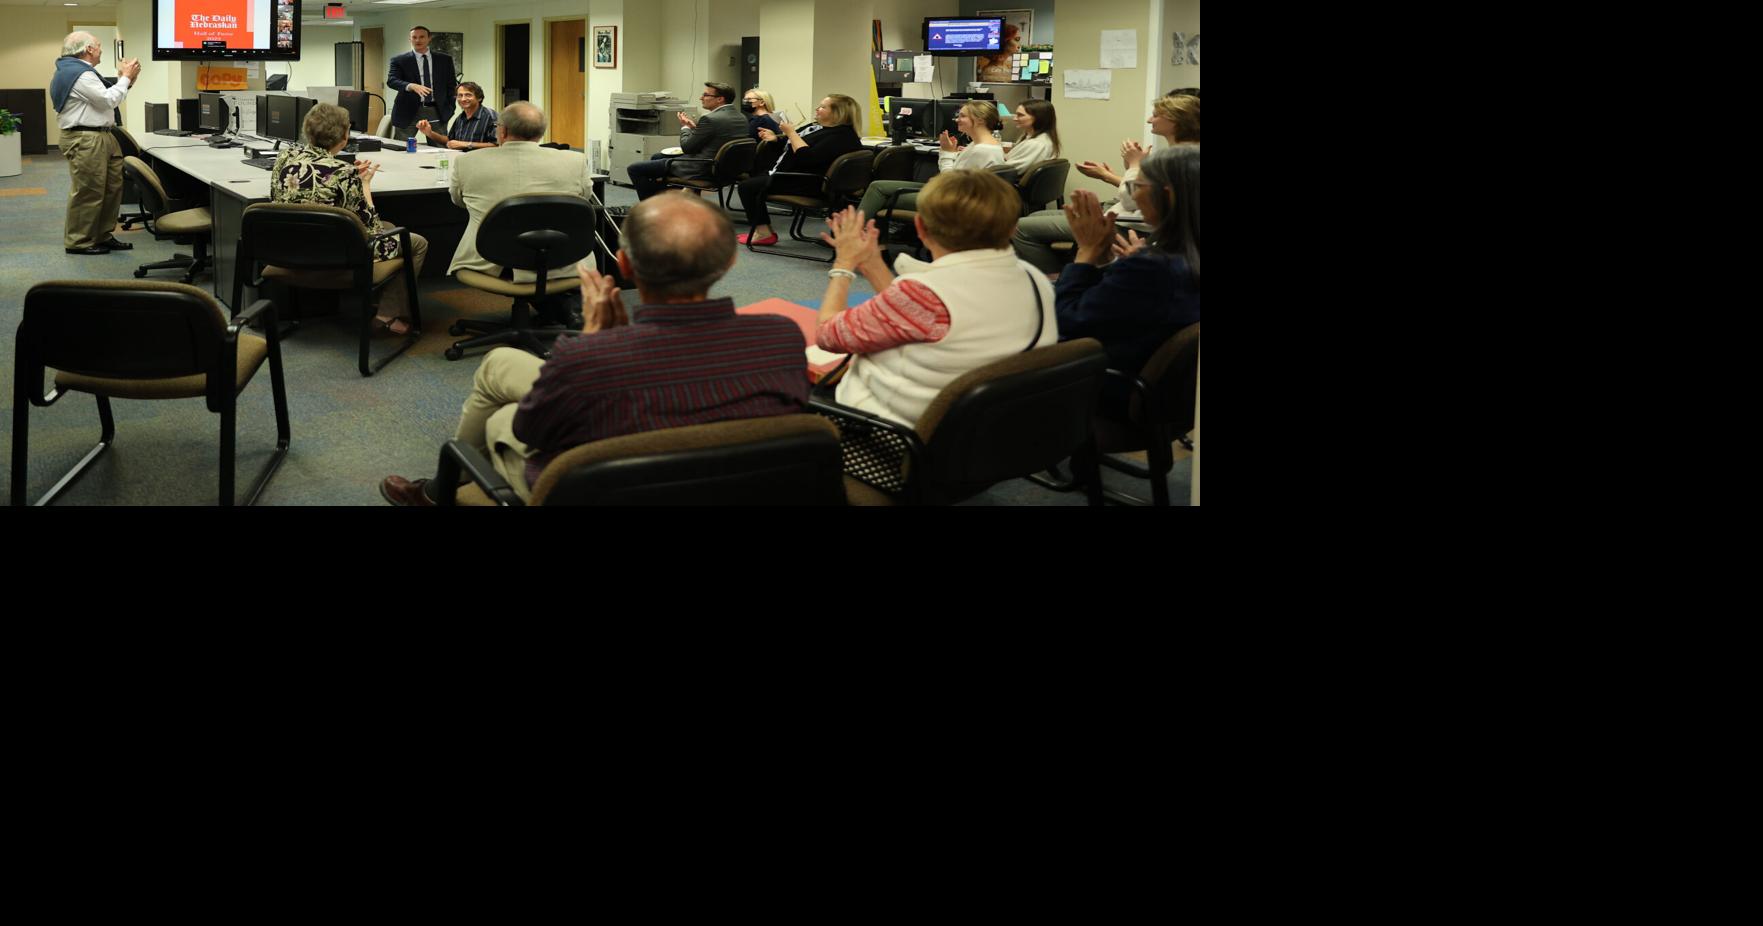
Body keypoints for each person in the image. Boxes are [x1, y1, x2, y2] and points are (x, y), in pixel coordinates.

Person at [378, 193, 810, 505]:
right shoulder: (782, 336)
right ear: (731, 262)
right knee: (504, 368)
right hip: (732, 486)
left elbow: (535, 432)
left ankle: (439, 491)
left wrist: (598, 346)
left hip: (589, 486)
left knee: (504, 413)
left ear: (622, 266)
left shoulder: (584, 359)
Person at [815, 169, 1057, 430]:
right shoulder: (1036, 279)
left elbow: (828, 335)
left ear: (920, 227)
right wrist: (872, 262)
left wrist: (844, 264)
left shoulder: (925, 296)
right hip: (990, 429)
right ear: (1012, 228)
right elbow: (910, 314)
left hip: (898, 436)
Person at [1054, 145, 1200, 416]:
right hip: (1172, 399)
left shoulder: (1153, 268)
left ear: (1164, 196)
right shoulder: (1175, 259)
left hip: (1108, 389)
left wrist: (1085, 252)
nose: (1133, 195)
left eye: (1137, 187)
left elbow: (1066, 323)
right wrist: (1117, 265)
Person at [271, 103, 429, 335]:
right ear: (344, 137)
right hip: (330, 254)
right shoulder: (343, 173)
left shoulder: (284, 157)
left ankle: (379, 298)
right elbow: (371, 227)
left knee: (391, 228)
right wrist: (364, 184)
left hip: (287, 247)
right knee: (415, 242)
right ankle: (387, 314)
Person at [1014, 93, 1198, 274]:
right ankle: (1070, 270)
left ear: (1175, 120)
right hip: (1121, 213)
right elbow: (1146, 192)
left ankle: (1057, 278)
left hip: (1128, 224)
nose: (1150, 120)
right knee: (1036, 216)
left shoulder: (1180, 158)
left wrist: (1134, 166)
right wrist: (1109, 175)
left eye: (1156, 115)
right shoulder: (1180, 154)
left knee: (1021, 228)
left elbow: (1131, 200)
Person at [446, 101, 594, 325]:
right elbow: (582, 200)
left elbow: (459, 201)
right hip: (561, 259)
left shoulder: (467, 163)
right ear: (541, 133)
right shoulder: (575, 161)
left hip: (492, 261)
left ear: (502, 131)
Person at [50, 31, 139, 255]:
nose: (100, 50)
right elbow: (109, 99)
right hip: (86, 138)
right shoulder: (79, 74)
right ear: (89, 49)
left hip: (100, 136)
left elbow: (106, 98)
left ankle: (102, 235)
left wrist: (125, 80)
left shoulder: (79, 72)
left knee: (111, 190)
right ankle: (79, 241)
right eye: (98, 46)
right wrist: (125, 77)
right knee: (89, 191)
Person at [735, 93, 864, 246]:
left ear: (838, 113)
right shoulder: (818, 127)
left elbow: (807, 157)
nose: (817, 109)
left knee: (747, 188)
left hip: (808, 182)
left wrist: (790, 132)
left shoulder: (841, 136)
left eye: (823, 107)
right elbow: (793, 143)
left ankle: (763, 233)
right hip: (794, 175)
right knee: (754, 180)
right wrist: (776, 138)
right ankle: (763, 230)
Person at [853, 100, 1004, 219]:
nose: (957, 119)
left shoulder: (980, 150)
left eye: (962, 116)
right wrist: (952, 154)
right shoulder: (985, 145)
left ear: (980, 120)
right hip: (956, 194)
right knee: (877, 186)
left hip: (952, 200)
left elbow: (949, 182)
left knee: (879, 197)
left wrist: (946, 153)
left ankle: (853, 234)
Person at [626, 81, 747, 200]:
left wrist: (685, 127)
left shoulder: (710, 119)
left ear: (720, 99)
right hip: (725, 170)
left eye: (705, 95)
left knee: (635, 169)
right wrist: (695, 128)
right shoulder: (740, 117)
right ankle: (676, 200)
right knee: (657, 157)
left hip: (701, 168)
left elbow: (687, 147)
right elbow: (716, 138)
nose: (701, 98)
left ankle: (652, 206)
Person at [386, 25, 457, 134]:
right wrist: (411, 86)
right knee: (403, 146)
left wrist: (450, 107)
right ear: (410, 39)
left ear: (429, 38)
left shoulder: (444, 59)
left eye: (422, 37)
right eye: (414, 37)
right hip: (407, 110)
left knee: (439, 147)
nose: (418, 40)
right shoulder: (399, 60)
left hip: (436, 110)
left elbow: (451, 84)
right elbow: (392, 80)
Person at [416, 81, 498, 151]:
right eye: (460, 95)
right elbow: (450, 140)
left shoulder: (491, 116)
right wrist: (430, 133)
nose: (463, 99)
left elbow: (498, 145)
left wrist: (467, 145)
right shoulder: (460, 118)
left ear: (479, 98)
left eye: (468, 95)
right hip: (460, 159)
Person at [1002, 99, 1060, 174]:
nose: (1015, 118)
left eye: (1020, 115)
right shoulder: (1029, 136)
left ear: (1038, 117)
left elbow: (1006, 171)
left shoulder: (1036, 144)